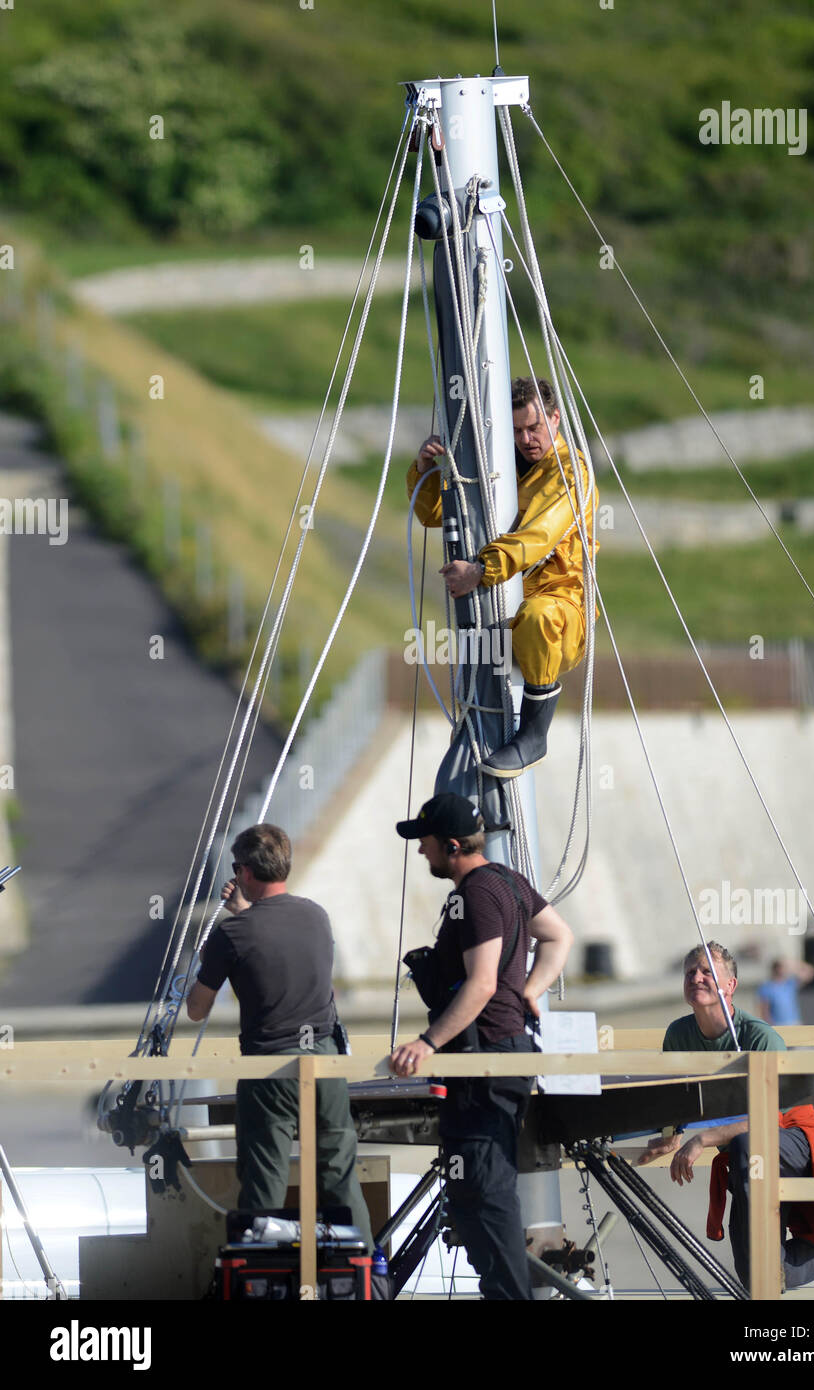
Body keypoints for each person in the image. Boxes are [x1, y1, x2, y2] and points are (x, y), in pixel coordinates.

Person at [389, 792, 573, 1299]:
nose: (421, 850)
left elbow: (482, 983)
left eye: (425, 842)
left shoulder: (475, 895)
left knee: (487, 1196)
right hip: (497, 1058)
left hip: (486, 1063)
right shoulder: (508, 883)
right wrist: (530, 992)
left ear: (451, 845)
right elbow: (558, 935)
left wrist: (427, 1042)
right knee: (472, 1195)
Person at [638, 941, 814, 1293]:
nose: (696, 978)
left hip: (793, 1137)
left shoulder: (759, 1036)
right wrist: (671, 1134)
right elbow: (676, 1099)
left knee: (747, 1141)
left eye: (707, 971)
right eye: (691, 972)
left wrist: (702, 1138)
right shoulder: (678, 1034)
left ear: (730, 986)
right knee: (759, 1278)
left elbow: (767, 1118)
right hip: (747, 1155)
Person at [186, 822, 373, 1249]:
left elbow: (197, 1010)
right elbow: (278, 946)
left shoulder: (233, 934)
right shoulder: (316, 916)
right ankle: (365, 1274)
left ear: (247, 872)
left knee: (265, 1181)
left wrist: (221, 945)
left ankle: (261, 1278)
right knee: (340, 1177)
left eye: (236, 868)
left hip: (270, 1068)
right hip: (325, 1060)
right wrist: (244, 915)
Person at [407, 376, 598, 778]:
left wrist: (480, 571)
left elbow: (539, 536)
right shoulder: (501, 468)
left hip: (560, 608)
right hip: (499, 610)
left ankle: (534, 735)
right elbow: (435, 515)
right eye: (516, 431)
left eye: (534, 427)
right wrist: (425, 469)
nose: (527, 439)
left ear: (555, 418)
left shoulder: (571, 471)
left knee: (538, 616)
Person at [757, 957, 814, 1026]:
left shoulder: (790, 984)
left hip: (794, 1023)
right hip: (778, 1024)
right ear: (777, 969)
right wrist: (769, 1025)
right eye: (783, 967)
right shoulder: (767, 987)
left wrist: (793, 963)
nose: (786, 970)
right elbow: (764, 1009)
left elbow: (810, 971)